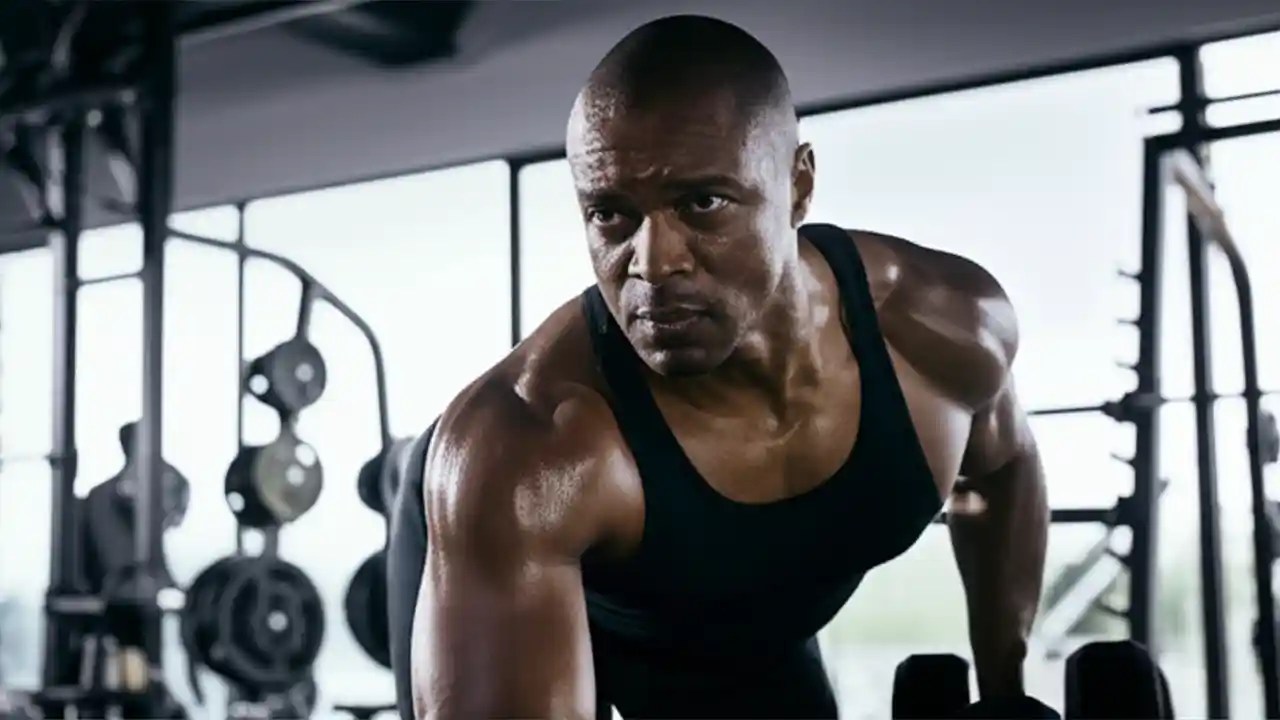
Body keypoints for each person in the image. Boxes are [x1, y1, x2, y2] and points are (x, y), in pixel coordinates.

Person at [387, 14, 1049, 720]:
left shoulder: (943, 328)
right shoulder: (531, 446)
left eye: (702, 203)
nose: (653, 264)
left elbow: (1000, 470)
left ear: (798, 187)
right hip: (527, 581)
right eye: (610, 215)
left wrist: (1004, 689)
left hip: (748, 632)